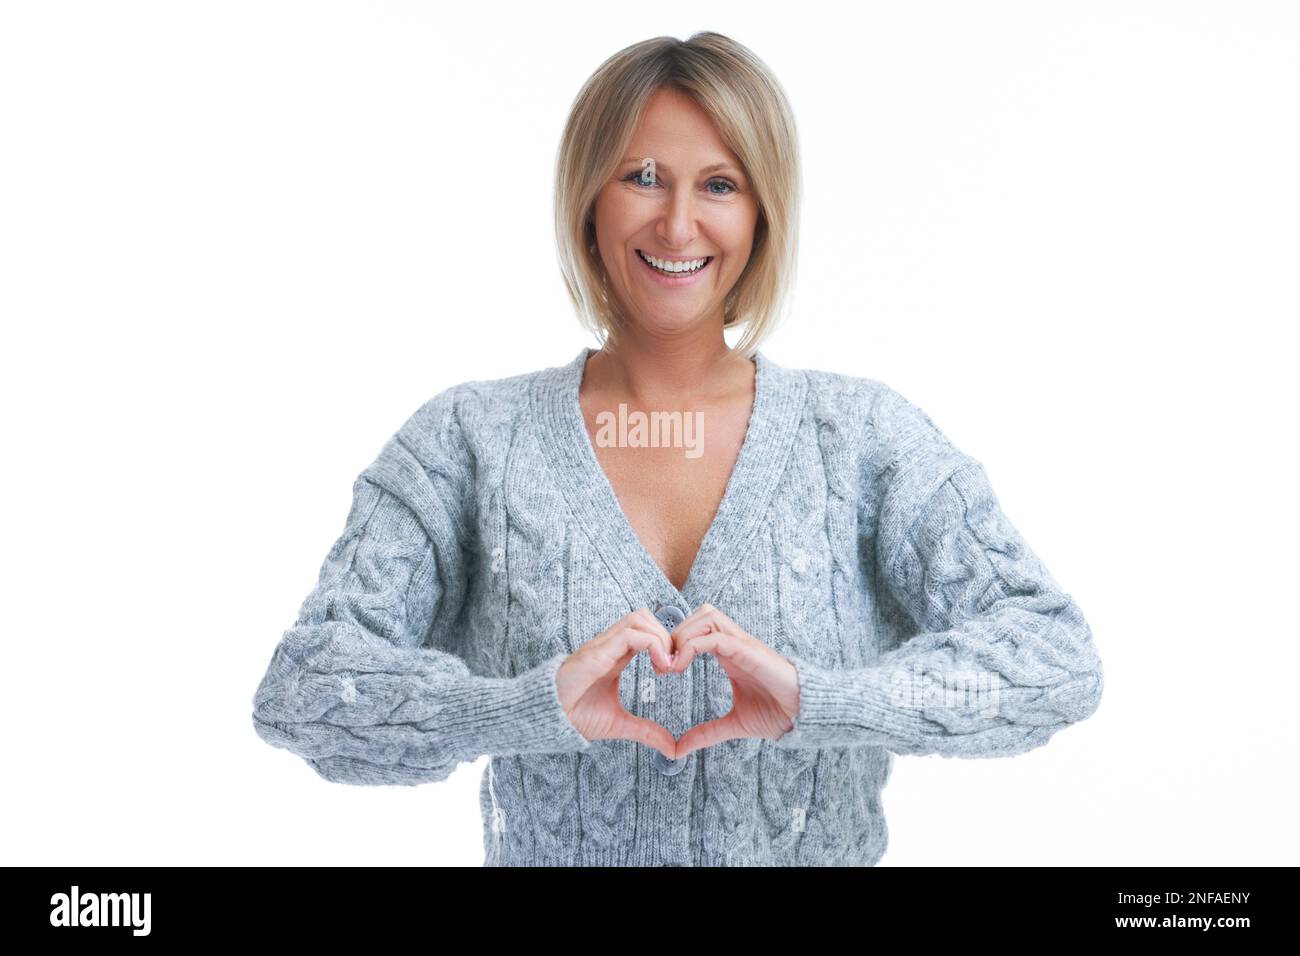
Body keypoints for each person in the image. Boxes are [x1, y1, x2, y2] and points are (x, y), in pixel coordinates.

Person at [250, 31, 1104, 867]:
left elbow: (1055, 659)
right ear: (589, 197)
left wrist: (823, 699)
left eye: (721, 184)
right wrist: (521, 709)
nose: (679, 221)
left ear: (762, 212)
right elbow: (303, 692)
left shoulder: (866, 440)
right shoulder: (467, 442)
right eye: (644, 177)